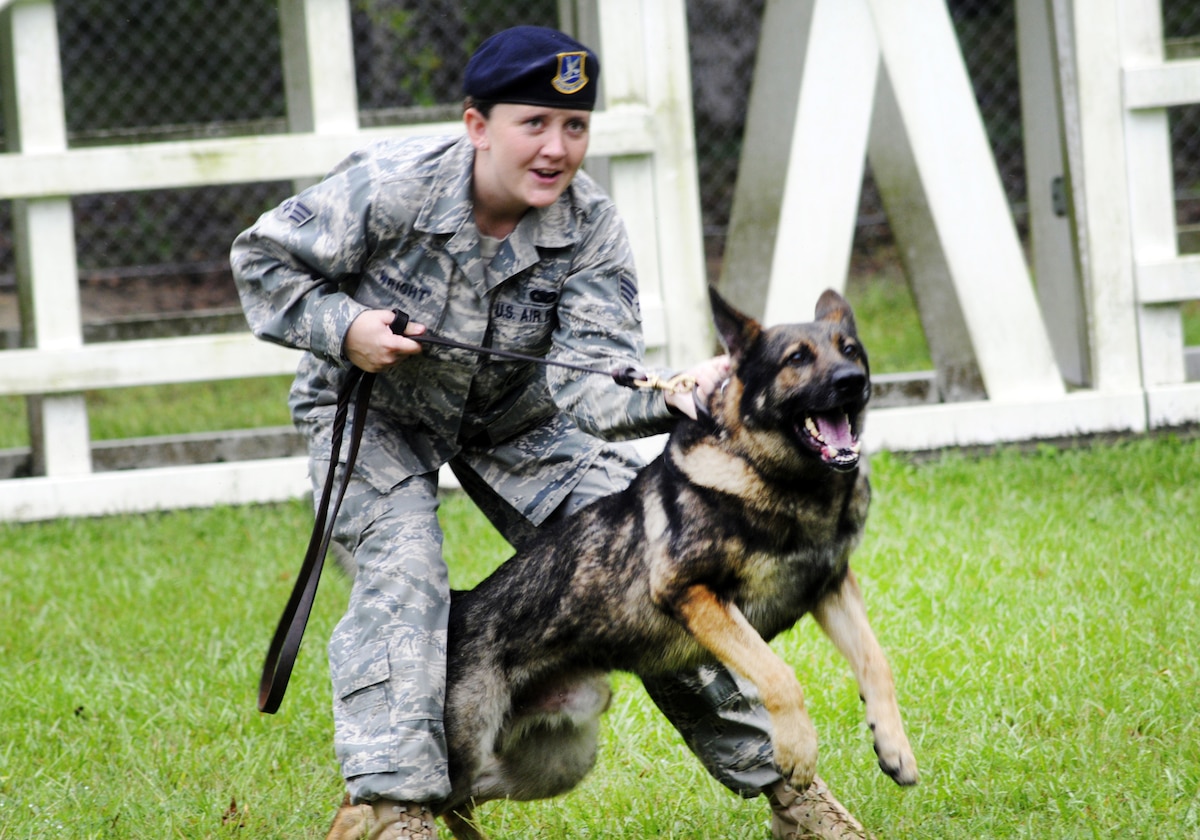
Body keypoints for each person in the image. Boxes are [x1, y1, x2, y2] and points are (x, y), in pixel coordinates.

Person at [232, 24, 869, 840]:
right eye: (533, 123)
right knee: (405, 574)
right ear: (477, 126)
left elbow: (593, 379)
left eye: (574, 126)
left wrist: (678, 393)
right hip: (372, 411)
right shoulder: (389, 187)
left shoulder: (591, 227)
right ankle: (395, 809)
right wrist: (346, 324)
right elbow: (260, 262)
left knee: (657, 565)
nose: (556, 147)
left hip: (516, 419)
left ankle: (790, 795)